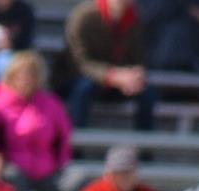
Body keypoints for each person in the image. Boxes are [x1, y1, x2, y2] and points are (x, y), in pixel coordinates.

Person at [0, 50, 71, 191]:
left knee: (78, 181)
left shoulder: (51, 104)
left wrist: (60, 164)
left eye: (31, 75)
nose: (26, 79)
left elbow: (63, 137)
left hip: (47, 171)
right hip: (12, 169)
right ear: (11, 76)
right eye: (21, 75)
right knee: (8, 180)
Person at [64, 0, 155, 133]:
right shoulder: (83, 16)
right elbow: (79, 62)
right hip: (81, 78)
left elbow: (139, 58)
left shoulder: (136, 18)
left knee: (148, 93)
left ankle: (145, 150)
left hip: (119, 82)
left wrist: (135, 75)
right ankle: (76, 147)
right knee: (84, 88)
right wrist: (111, 76)